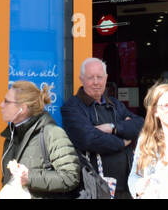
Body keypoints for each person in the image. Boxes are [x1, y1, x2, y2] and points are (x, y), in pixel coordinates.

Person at [61, 57, 142, 198]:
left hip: (126, 188)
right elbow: (90, 139)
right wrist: (123, 141)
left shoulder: (115, 104)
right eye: (91, 77)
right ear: (81, 79)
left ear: (106, 78)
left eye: (100, 77)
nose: (96, 82)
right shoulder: (72, 108)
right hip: (93, 189)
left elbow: (140, 126)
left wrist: (113, 128)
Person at [1, 80, 80, 198]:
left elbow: (70, 177)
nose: (1, 105)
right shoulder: (12, 135)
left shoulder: (52, 133)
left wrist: (29, 177)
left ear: (22, 108)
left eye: (7, 101)